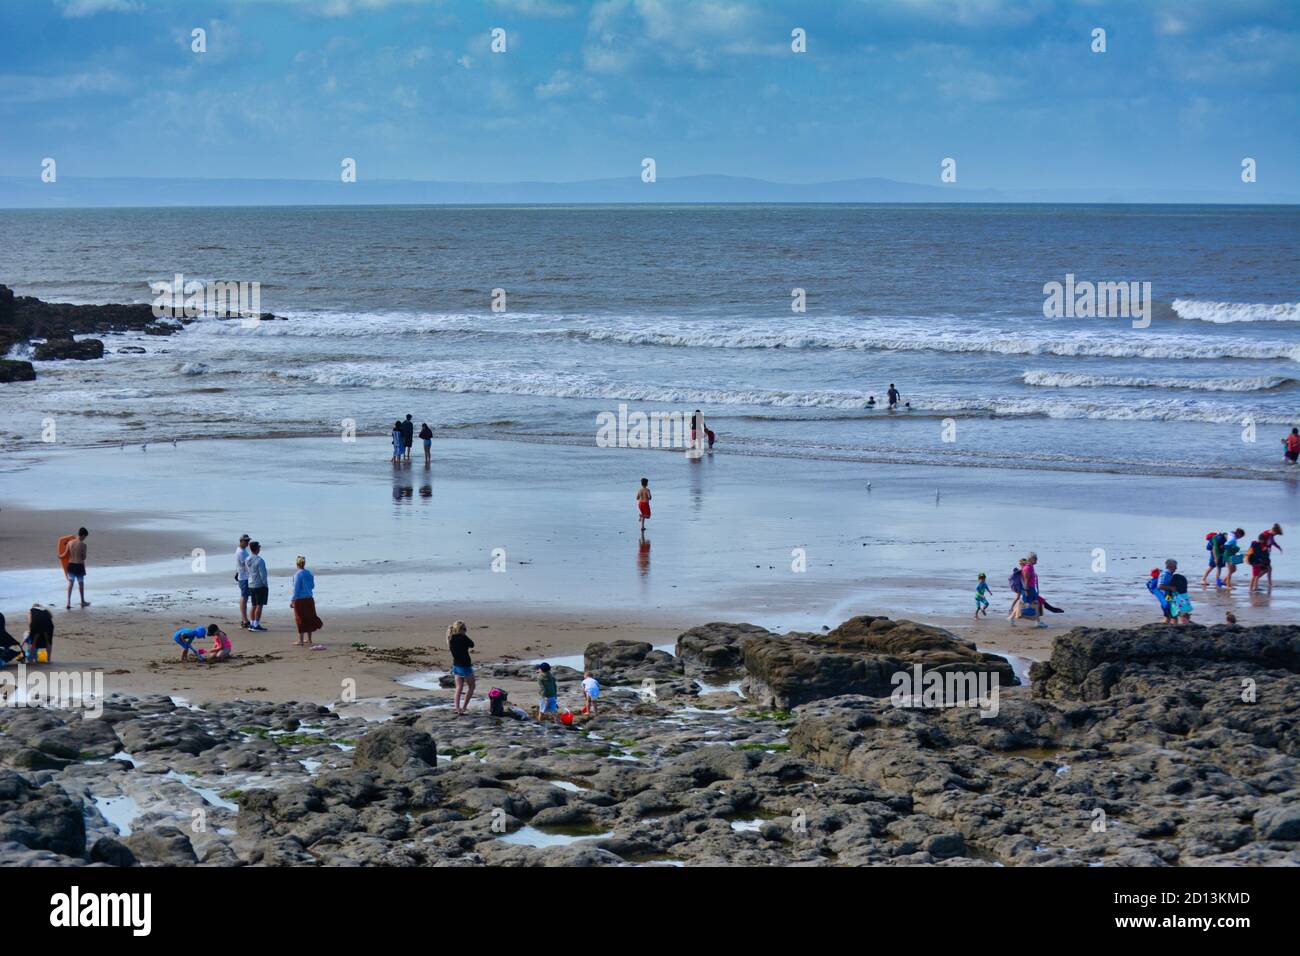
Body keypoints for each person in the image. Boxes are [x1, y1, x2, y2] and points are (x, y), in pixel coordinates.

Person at [290, 555, 323, 646]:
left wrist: (292, 600)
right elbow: (312, 586)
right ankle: (309, 639)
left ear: (297, 564)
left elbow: (296, 589)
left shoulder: (297, 575)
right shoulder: (309, 573)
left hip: (300, 600)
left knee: (300, 618)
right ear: (304, 564)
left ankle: (300, 640)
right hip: (309, 598)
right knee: (309, 617)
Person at [447, 620, 475, 715]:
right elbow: (472, 644)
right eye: (464, 629)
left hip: (456, 665)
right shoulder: (463, 638)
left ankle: (457, 707)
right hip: (465, 665)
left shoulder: (451, 638)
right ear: (460, 629)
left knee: (459, 687)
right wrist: (464, 635)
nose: (466, 631)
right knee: (472, 686)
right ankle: (464, 707)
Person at [62, 527, 89, 610]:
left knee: (70, 583)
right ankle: (82, 601)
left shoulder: (70, 543)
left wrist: (59, 556)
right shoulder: (83, 545)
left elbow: (64, 554)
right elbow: (84, 557)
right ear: (83, 535)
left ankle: (68, 602)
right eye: (85, 536)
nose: (85, 538)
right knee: (81, 583)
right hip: (79, 566)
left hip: (71, 565)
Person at [245, 541, 269, 631]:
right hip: (259, 585)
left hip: (251, 584)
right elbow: (263, 575)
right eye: (259, 547)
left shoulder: (247, 559)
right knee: (259, 605)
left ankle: (252, 624)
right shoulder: (259, 560)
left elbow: (247, 571)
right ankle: (256, 624)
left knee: (254, 605)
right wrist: (265, 584)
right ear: (257, 549)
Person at [1022, 552, 1046, 628]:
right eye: (1035, 558)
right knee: (1032, 605)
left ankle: (1038, 622)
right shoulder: (1027, 568)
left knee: (1037, 604)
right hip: (1029, 589)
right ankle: (1014, 615)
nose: (1037, 560)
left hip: (1032, 589)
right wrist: (1025, 591)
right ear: (1031, 559)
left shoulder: (1031, 567)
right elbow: (1026, 580)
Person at [235, 533, 252, 629]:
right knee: (244, 597)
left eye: (248, 541)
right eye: (245, 541)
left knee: (244, 597)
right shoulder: (241, 552)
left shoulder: (242, 550)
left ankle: (244, 619)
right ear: (241, 541)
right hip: (244, 577)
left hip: (243, 576)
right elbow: (247, 565)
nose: (247, 543)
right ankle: (245, 620)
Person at [1259, 524, 1284, 591]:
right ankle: (1258, 579)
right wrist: (1265, 548)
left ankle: (1268, 583)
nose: (1275, 535)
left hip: (1266, 555)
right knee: (1268, 569)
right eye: (1276, 533)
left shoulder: (1271, 535)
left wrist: (1279, 548)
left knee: (1268, 569)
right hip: (1262, 555)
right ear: (1273, 531)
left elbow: (1273, 542)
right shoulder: (1265, 534)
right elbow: (1260, 543)